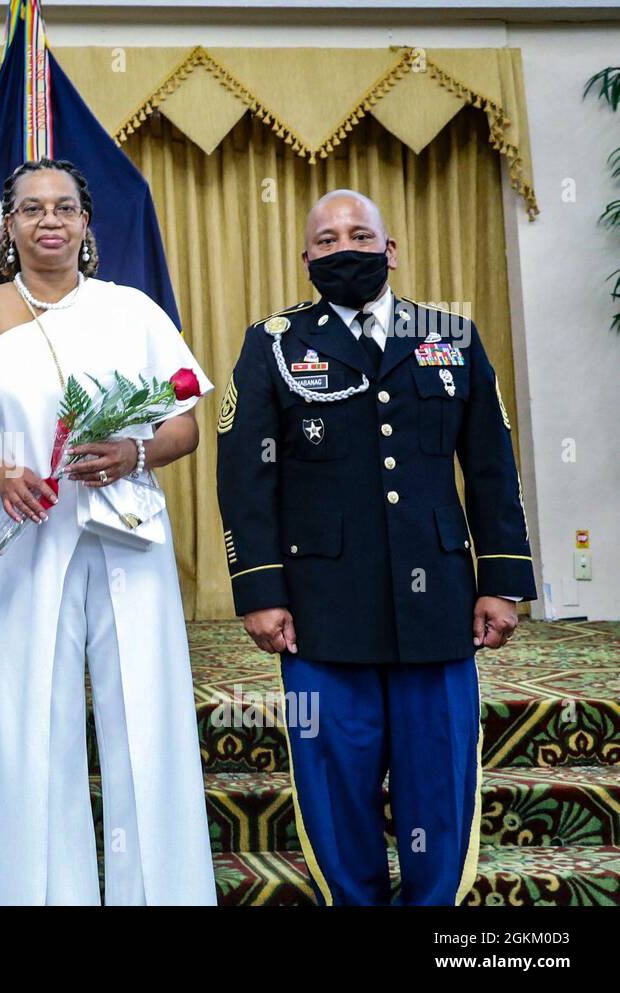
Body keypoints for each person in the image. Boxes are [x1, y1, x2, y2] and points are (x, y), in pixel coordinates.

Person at [215, 189, 536, 906]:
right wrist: (260, 591)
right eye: (326, 240)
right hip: (323, 612)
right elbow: (245, 477)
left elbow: (491, 465)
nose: (344, 248)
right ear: (306, 259)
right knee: (336, 782)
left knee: (439, 778)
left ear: (391, 250)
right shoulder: (273, 343)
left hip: (442, 608)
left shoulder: (450, 335)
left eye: (360, 235)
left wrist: (501, 579)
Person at [0, 159, 217, 905]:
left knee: (146, 709)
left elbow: (185, 424)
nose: (49, 221)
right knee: (31, 718)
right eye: (31, 209)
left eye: (64, 207)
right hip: (24, 533)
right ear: (8, 225)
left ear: (86, 222)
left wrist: (133, 451)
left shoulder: (133, 309)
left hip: (128, 531)